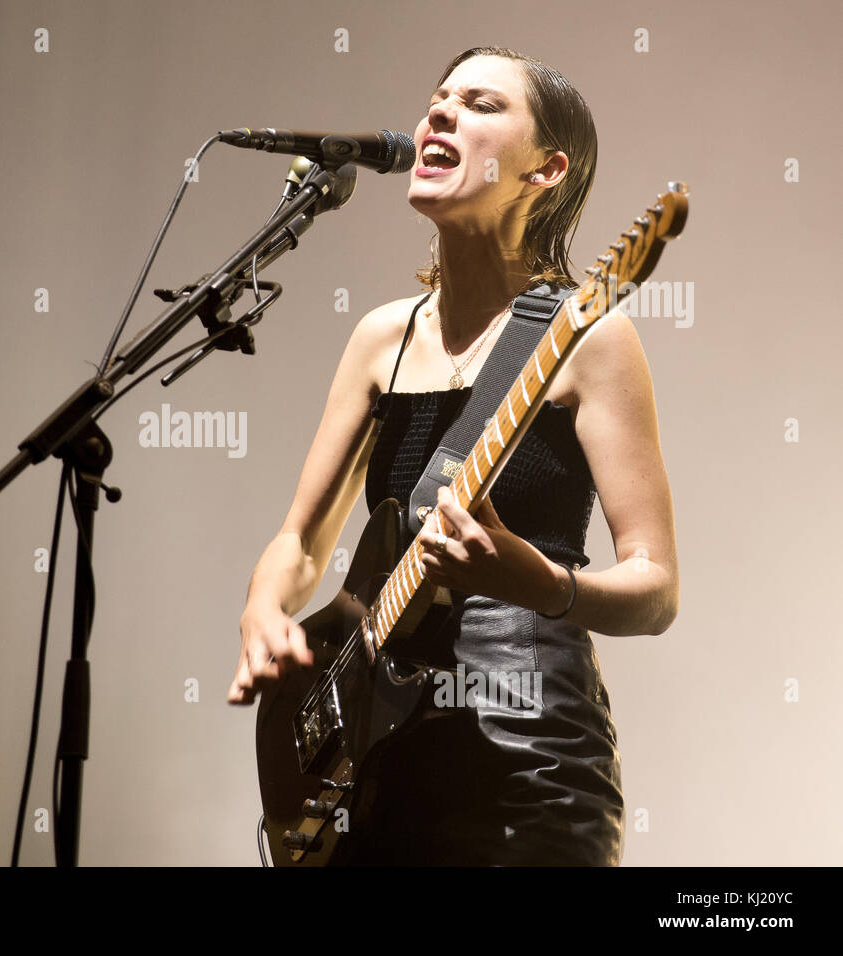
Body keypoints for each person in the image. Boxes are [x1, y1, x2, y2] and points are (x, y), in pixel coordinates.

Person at [228, 47, 679, 865]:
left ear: (546, 170)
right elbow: (299, 543)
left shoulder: (589, 336)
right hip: (377, 761)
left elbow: (656, 590)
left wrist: (543, 583)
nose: (439, 113)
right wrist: (264, 611)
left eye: (478, 104)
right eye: (437, 98)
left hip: (528, 751)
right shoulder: (381, 338)